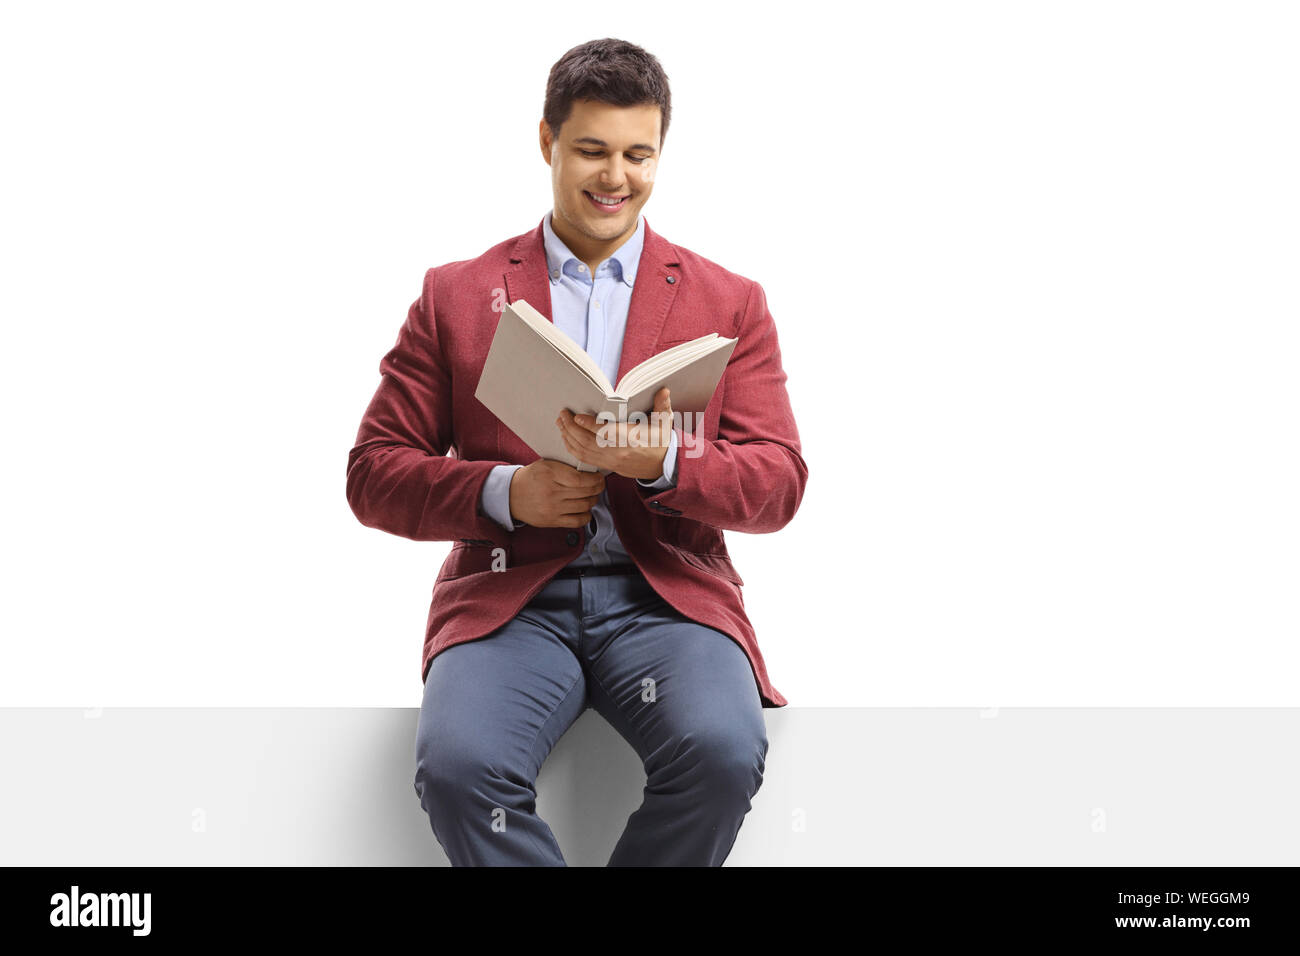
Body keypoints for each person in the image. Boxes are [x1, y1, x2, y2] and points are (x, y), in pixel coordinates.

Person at [346, 37, 807, 866]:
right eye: (592, 150)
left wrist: (662, 466)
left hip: (665, 599)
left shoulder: (729, 301)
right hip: (511, 598)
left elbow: (777, 482)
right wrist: (504, 492)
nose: (615, 177)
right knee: (459, 769)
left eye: (640, 154)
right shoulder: (456, 295)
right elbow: (374, 471)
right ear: (547, 142)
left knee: (721, 753)